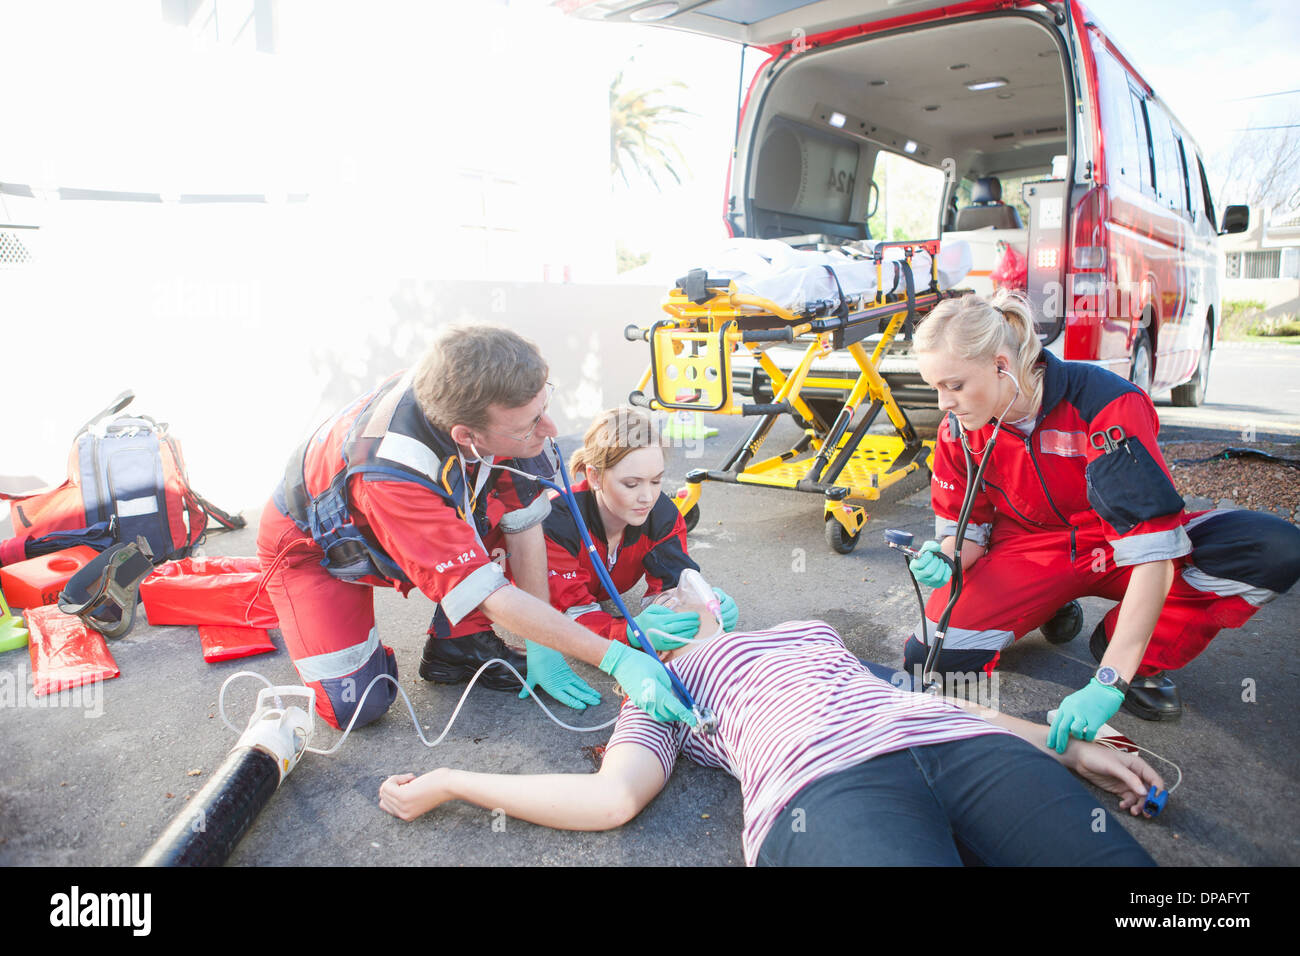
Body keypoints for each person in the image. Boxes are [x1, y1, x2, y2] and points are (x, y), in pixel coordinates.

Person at [378, 585, 1162, 866]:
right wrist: (450, 782)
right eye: (650, 609)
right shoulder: (660, 691)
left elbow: (931, 701)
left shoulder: (808, 632)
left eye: (685, 595)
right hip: (822, 786)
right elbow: (612, 800)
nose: (673, 604)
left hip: (955, 748)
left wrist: (1068, 749)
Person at [904, 290, 1300, 749]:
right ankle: (1050, 603)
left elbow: (1153, 554)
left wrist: (1109, 682)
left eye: (953, 385)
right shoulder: (961, 427)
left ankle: (1131, 652)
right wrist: (946, 557)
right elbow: (967, 530)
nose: (942, 404)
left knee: (1273, 550)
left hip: (1118, 547)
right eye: (935, 387)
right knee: (928, 659)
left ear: (1001, 365)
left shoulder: (1105, 405)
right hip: (1030, 549)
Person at [255, 325, 696, 731]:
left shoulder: (494, 396)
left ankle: (457, 645)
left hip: (425, 507)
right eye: (530, 424)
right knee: (357, 707)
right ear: (467, 435)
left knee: (502, 510)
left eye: (545, 406)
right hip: (315, 551)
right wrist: (617, 658)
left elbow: (527, 524)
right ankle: (330, 630)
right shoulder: (393, 474)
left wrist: (540, 644)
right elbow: (487, 592)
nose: (551, 429)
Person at [533, 406, 738, 691]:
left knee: (699, 623)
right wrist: (628, 634)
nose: (648, 497)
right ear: (593, 477)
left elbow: (673, 588)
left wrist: (702, 604)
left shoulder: (663, 516)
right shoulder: (555, 522)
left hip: (591, 591)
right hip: (529, 596)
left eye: (656, 481)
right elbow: (569, 618)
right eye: (631, 484)